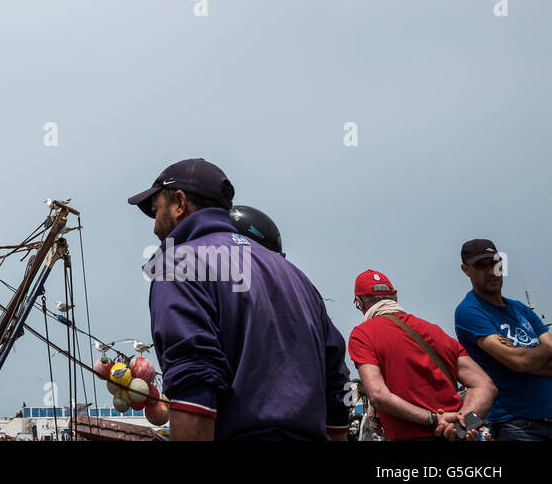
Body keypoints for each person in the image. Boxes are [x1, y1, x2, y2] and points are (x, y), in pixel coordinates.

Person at [128, 158, 349, 441]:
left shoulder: (179, 263)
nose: (155, 228)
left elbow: (194, 377)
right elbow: (336, 384)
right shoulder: (295, 276)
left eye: (157, 210)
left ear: (179, 203)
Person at [347, 269, 494, 440]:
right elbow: (485, 385)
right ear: (395, 296)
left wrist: (434, 420)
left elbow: (378, 395)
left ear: (360, 302)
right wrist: (463, 425)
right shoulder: (436, 332)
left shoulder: (363, 335)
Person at [454, 239, 552, 440]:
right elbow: (519, 361)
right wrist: (530, 356)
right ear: (466, 270)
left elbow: (527, 357)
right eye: (481, 266)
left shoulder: (520, 308)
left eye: (495, 263)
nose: (491, 271)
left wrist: (521, 357)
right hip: (518, 425)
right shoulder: (470, 311)